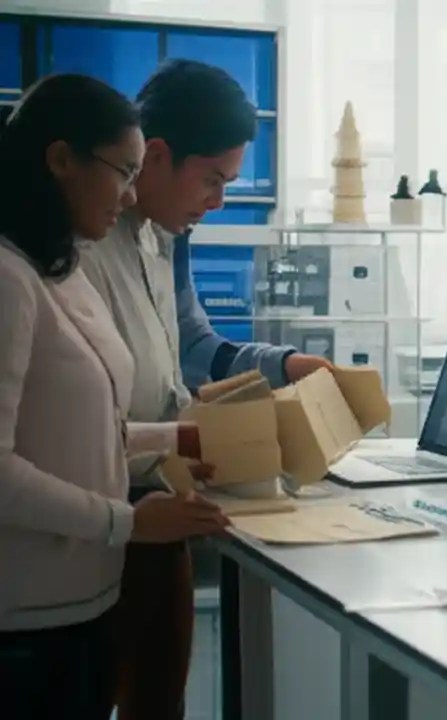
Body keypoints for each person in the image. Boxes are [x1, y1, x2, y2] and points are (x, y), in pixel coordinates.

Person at [75, 59, 330, 719]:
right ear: (154, 156)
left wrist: (283, 366)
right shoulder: (80, 243)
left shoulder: (167, 236)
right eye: (212, 179)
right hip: (97, 504)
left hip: (164, 494)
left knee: (160, 698)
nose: (218, 200)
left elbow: (188, 344)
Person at [0, 74, 228, 720]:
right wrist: (127, 522)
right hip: (27, 625)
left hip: (86, 604)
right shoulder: (9, 280)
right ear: (61, 159)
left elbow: (84, 427)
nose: (131, 195)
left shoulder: (60, 272)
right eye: (122, 172)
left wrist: (176, 438)